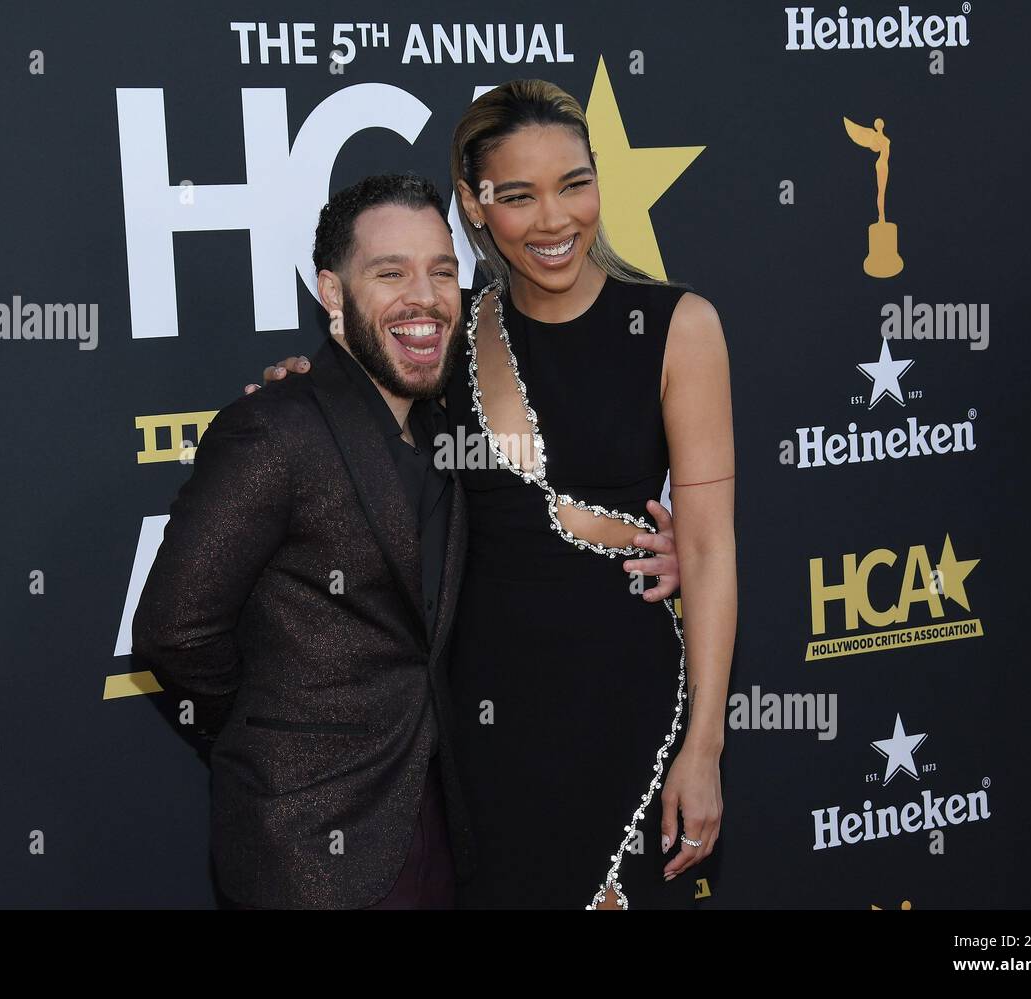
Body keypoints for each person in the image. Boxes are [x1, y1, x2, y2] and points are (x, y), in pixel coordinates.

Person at [259, 79, 737, 910]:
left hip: (631, 704)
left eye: (574, 183)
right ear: (476, 210)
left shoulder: (679, 326)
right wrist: (300, 391)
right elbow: (361, 437)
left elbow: (707, 545)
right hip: (488, 722)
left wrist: (705, 747)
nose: (554, 220)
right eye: (518, 195)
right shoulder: (446, 334)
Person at [133, 174, 475, 909]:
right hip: (311, 850)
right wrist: (275, 736)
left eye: (442, 271)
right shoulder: (276, 430)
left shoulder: (447, 434)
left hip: (441, 831)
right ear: (331, 292)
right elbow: (172, 630)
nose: (426, 296)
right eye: (391, 273)